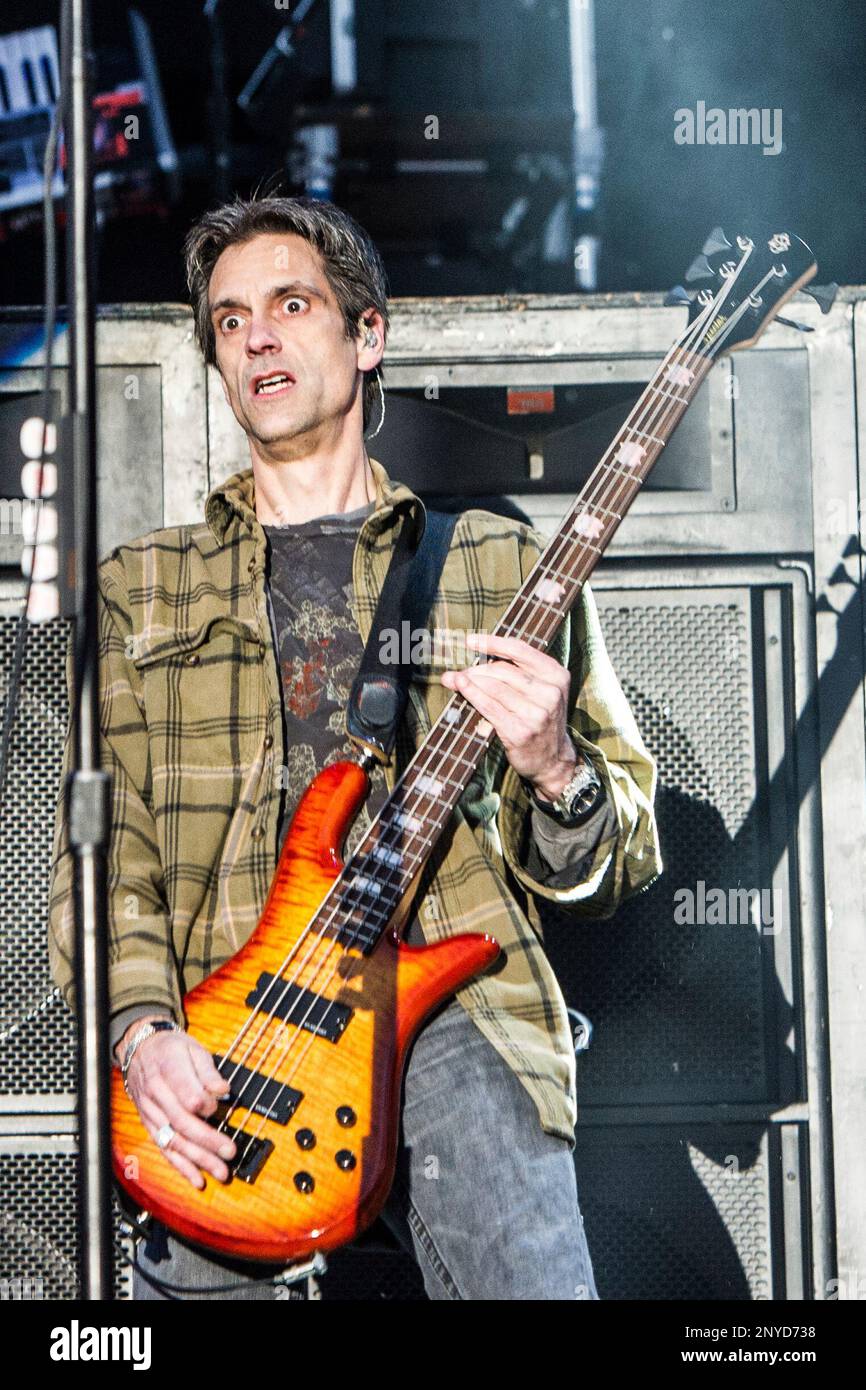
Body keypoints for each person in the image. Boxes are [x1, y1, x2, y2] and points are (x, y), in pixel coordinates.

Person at [47, 193, 662, 1300]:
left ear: (367, 334)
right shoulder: (143, 586)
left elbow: (617, 856)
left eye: (291, 304)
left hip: (448, 1002)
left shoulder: (494, 563)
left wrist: (554, 768)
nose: (259, 337)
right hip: (230, 1026)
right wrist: (141, 1035)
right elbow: (106, 859)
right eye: (229, 321)